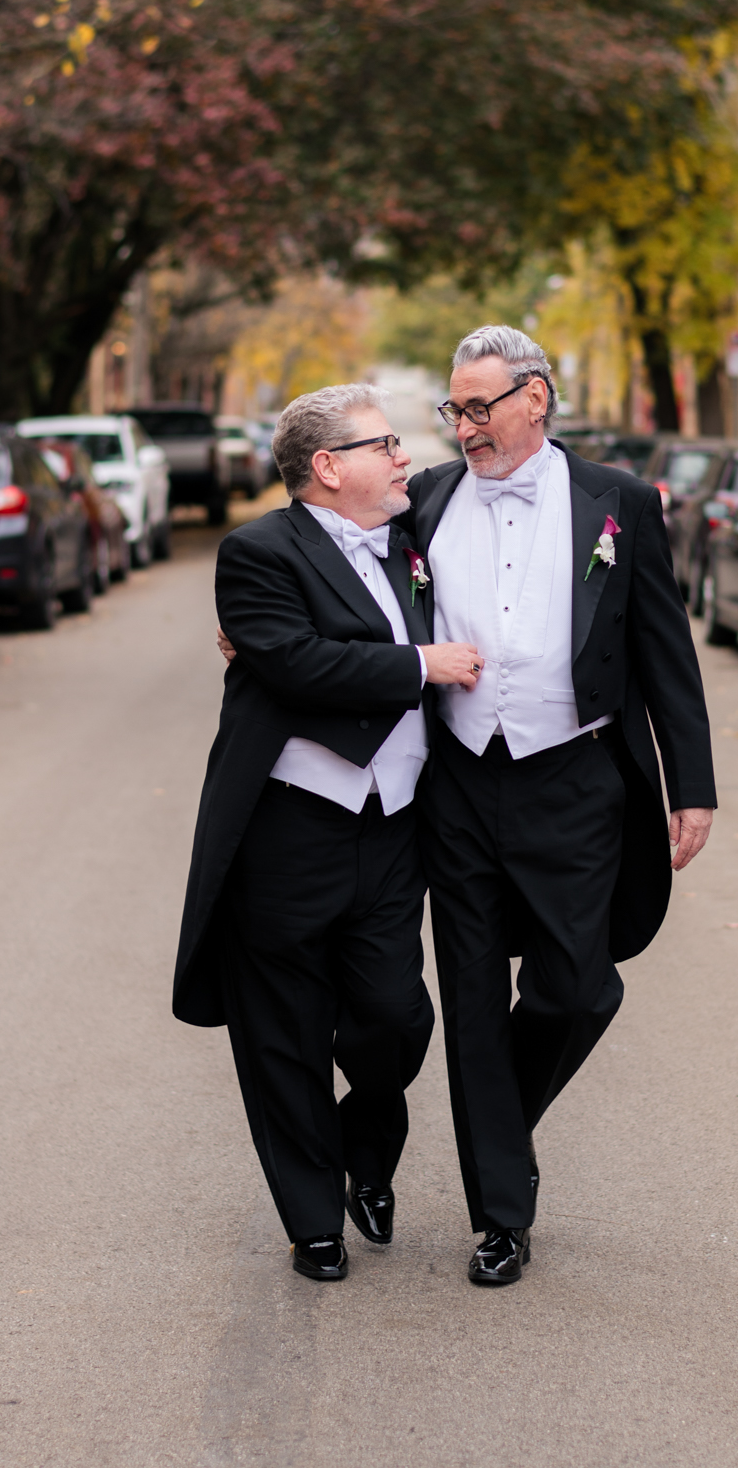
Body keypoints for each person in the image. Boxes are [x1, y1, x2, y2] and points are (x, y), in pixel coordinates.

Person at [410, 325, 715, 1287]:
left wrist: (692, 785)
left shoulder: (617, 503)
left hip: (574, 779)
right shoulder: (422, 501)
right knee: (468, 1000)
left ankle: (497, 1121)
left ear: (535, 398)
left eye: (480, 406)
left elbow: (665, 648)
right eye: (453, 408)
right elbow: (343, 586)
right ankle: (500, 1214)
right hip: (455, 781)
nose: (464, 427)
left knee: (577, 988)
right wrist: (253, 634)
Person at [172, 384, 485, 1282]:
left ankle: (362, 1144)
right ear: (327, 467)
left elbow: (477, 494)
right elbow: (296, 660)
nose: (402, 458)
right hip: (285, 829)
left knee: (397, 1015)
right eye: (384, 444)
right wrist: (421, 665)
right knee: (284, 1034)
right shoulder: (258, 552)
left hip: (391, 825)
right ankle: (313, 1221)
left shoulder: (413, 539)